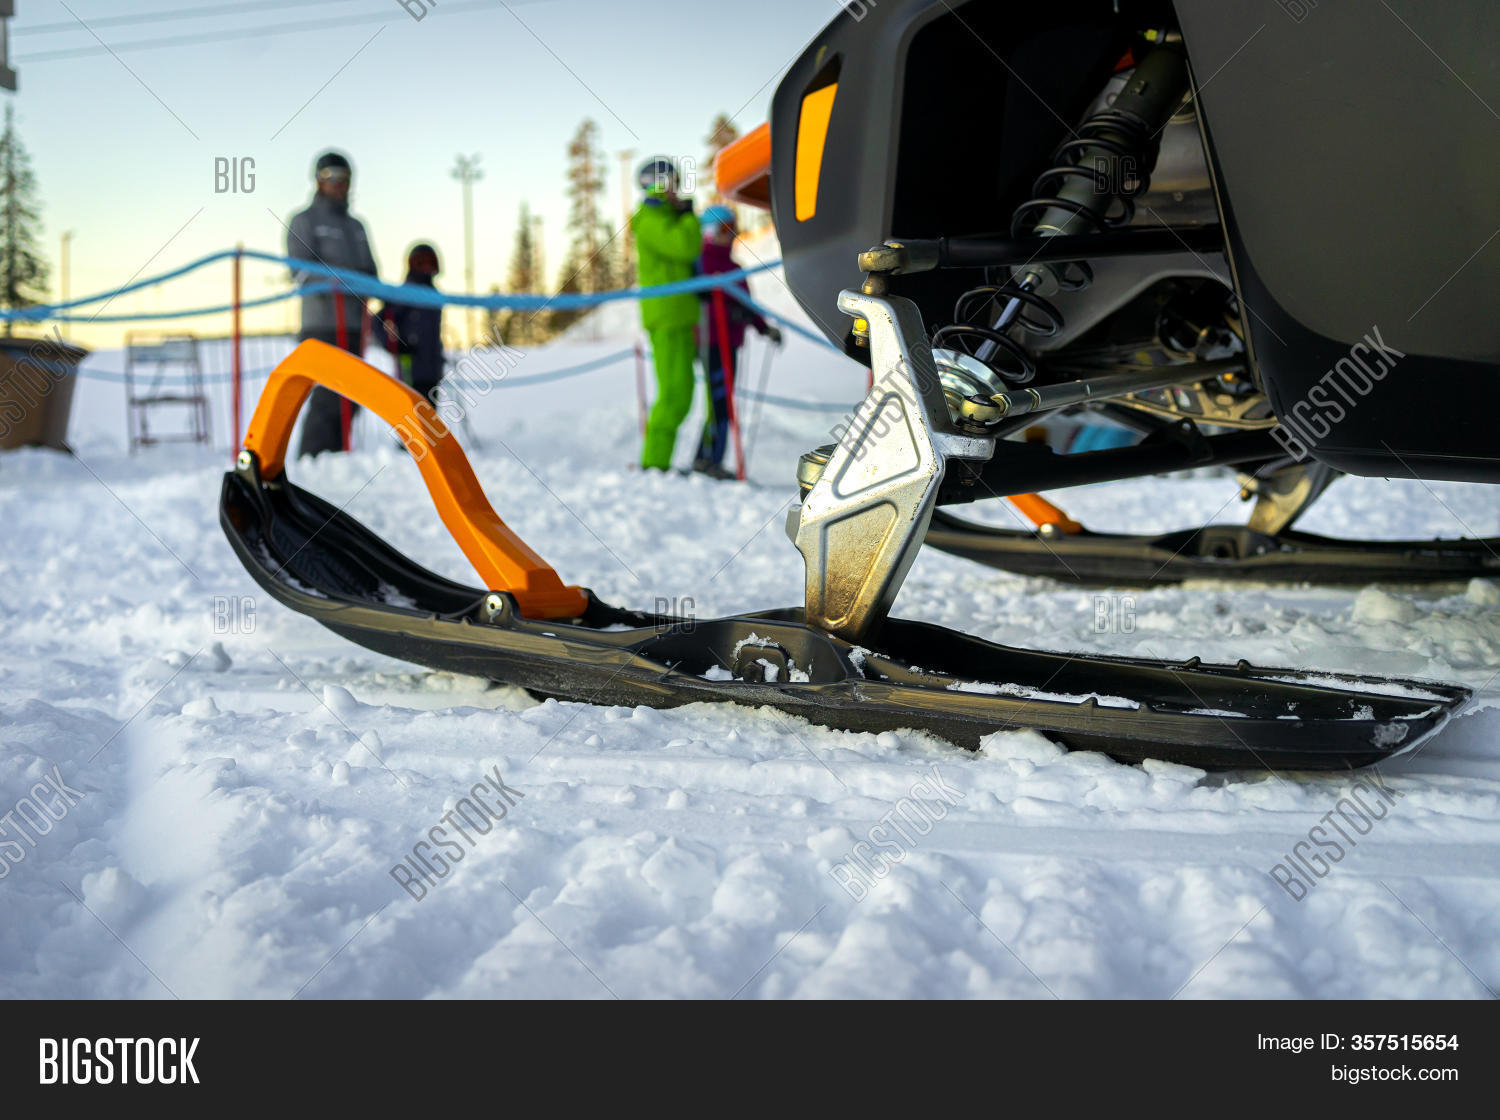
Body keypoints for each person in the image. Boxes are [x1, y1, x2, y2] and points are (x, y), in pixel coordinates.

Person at [286, 150, 379, 457]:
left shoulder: (357, 227)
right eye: (331, 177)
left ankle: (337, 462)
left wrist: (364, 286)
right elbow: (300, 270)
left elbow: (371, 272)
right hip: (322, 324)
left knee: (350, 396)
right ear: (318, 181)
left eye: (344, 178)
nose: (338, 184)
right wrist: (338, 281)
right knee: (327, 396)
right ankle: (311, 461)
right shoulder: (304, 221)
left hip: (353, 324)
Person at [694, 205, 782, 479]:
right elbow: (701, 301)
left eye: (733, 228)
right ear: (709, 232)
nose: (729, 235)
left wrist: (763, 328)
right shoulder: (701, 263)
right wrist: (727, 312)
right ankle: (708, 460)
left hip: (730, 342)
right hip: (711, 342)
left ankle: (707, 459)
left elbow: (747, 304)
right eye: (723, 229)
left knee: (723, 401)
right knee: (719, 401)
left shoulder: (734, 268)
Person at [630, 157, 701, 471]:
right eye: (672, 182)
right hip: (667, 317)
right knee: (674, 395)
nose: (676, 189)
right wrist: (688, 217)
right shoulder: (651, 219)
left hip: (680, 316)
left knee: (682, 394)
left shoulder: (664, 217)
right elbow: (685, 246)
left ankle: (658, 464)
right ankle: (653, 464)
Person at [380, 243, 445, 402]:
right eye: (421, 263)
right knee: (410, 412)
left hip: (433, 371)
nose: (426, 267)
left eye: (430, 262)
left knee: (429, 414)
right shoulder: (405, 293)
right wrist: (393, 345)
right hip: (410, 369)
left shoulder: (435, 294)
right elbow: (378, 319)